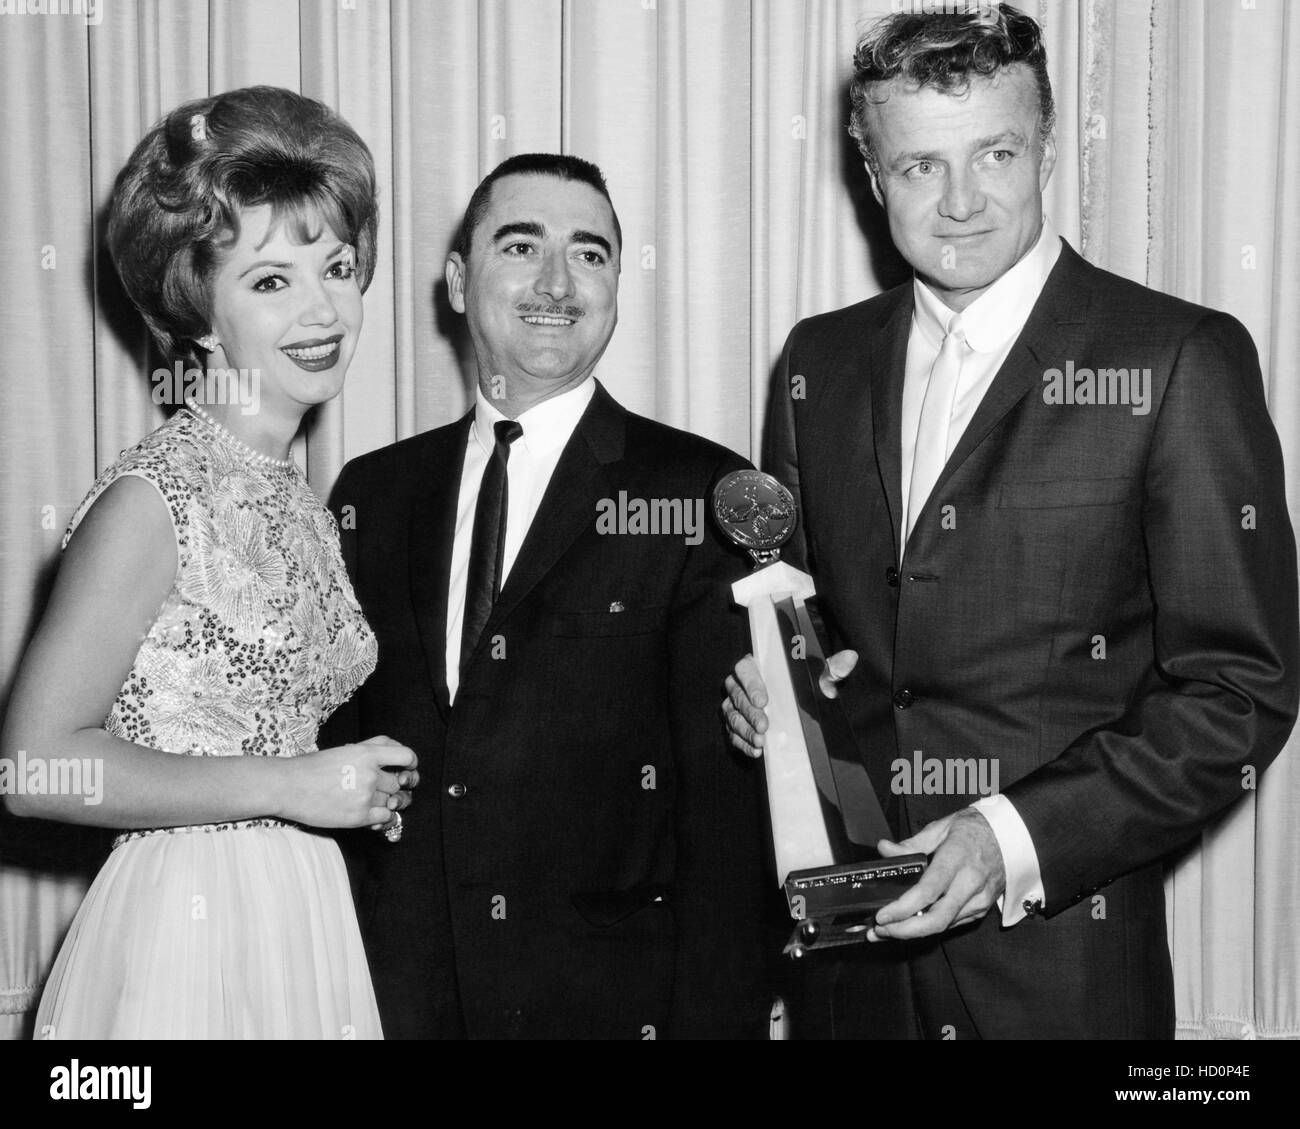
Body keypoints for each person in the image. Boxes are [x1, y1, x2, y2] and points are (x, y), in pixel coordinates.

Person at [724, 4, 1298, 1039]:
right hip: (846, 982)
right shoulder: (818, 361)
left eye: (993, 152)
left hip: (1059, 980)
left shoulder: (1178, 359)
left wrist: (1011, 833)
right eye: (916, 167)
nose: (958, 202)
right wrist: (767, 699)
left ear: (1047, 152)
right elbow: (819, 645)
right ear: (869, 173)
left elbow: (1239, 691)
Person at [322, 153, 771, 1039]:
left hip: (613, 1009)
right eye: (521, 246)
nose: (558, 282)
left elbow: (728, 824)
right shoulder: (371, 493)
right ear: (458, 282)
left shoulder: (703, 492)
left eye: (591, 254)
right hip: (394, 999)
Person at [2, 86, 417, 1039]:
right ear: (196, 312)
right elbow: (30, 765)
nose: (323, 309)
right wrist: (289, 784)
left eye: (339, 266)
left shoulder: (302, 504)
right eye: (271, 280)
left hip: (303, 913)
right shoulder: (156, 498)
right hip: (187, 937)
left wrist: (349, 793)